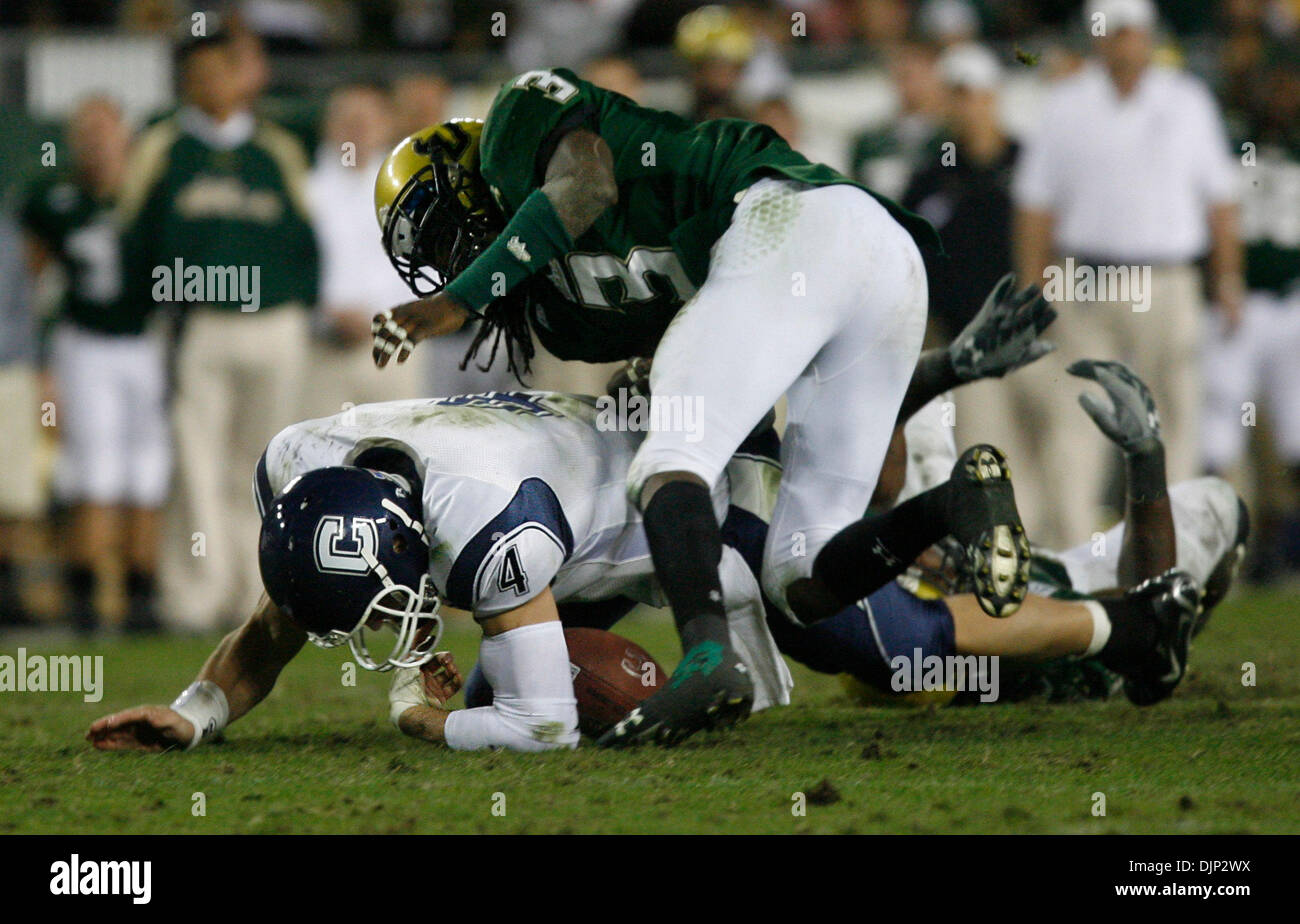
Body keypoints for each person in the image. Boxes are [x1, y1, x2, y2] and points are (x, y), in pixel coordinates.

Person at [366, 75, 1048, 746]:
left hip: (794, 211)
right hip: (872, 268)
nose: (441, 255)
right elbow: (725, 357)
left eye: (437, 231)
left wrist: (461, 296)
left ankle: (708, 662)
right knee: (801, 577)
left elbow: (588, 185)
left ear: (464, 176)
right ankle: (955, 503)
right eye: (426, 255)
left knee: (672, 457)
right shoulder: (559, 315)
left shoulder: (520, 120)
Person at [1010, 0, 1242, 546]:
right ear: (1096, 36)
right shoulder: (1065, 103)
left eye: (1131, 32)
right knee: (1078, 416)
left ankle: (1172, 549)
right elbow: (1034, 207)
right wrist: (1034, 286)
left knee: (1176, 414)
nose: (1122, 42)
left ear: (1147, 35)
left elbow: (1222, 200)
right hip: (1086, 278)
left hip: (1169, 277)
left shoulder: (1187, 100)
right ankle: (1074, 550)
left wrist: (1227, 278)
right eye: (1112, 32)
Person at [119, 21, 319, 630]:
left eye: (220, 69)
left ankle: (254, 593)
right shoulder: (161, 146)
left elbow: (307, 240)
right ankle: (194, 598)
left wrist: (299, 304)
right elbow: (134, 237)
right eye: (197, 73)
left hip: (275, 323)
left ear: (243, 74)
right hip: (198, 324)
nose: (210, 83)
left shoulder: (277, 148)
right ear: (183, 83)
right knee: (197, 464)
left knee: (262, 465)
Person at [21, 96, 168, 635]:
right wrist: (41, 365)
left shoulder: (151, 198)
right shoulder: (55, 200)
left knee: (147, 471)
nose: (98, 142)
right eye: (87, 131)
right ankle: (84, 596)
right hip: (83, 344)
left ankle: (141, 595)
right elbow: (29, 283)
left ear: (126, 137)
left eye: (106, 130)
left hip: (146, 343)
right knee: (94, 471)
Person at [304, 83, 423, 418]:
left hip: (395, 347)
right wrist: (328, 313)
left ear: (388, 125)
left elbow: (425, 270)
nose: (358, 130)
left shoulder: (410, 196)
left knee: (396, 454)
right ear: (328, 126)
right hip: (321, 349)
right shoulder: (305, 193)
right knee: (320, 459)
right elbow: (290, 266)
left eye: (367, 120)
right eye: (348, 120)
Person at [0, 213, 42, 628]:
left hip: (8, 369)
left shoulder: (8, 229)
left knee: (11, 494)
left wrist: (35, 367)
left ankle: (7, 590)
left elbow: (23, 304)